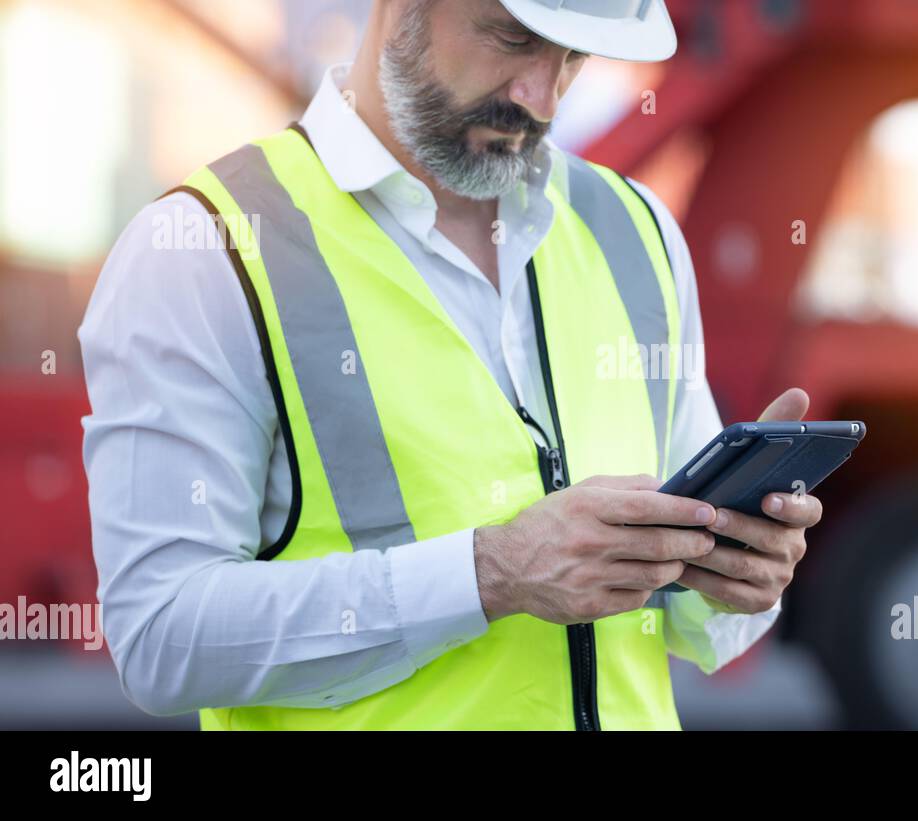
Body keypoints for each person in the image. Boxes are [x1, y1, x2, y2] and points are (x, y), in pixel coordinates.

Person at [80, 0, 822, 730]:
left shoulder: (636, 228)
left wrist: (736, 572)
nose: (541, 96)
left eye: (572, 57)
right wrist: (490, 573)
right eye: (512, 38)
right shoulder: (202, 248)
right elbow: (159, 637)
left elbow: (703, 628)